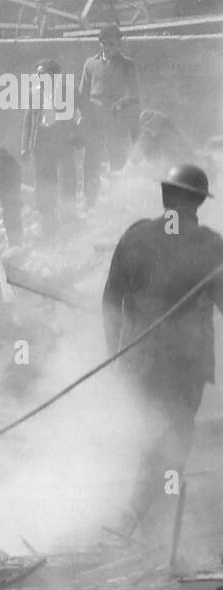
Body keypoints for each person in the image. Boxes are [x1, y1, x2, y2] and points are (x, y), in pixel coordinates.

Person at [102, 164, 223, 541]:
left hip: (138, 359)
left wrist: (116, 353)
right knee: (174, 439)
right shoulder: (210, 245)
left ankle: (146, 515)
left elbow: (110, 300)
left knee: (151, 431)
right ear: (200, 201)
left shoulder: (135, 236)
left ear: (166, 196)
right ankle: (137, 517)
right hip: (185, 364)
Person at [79, 24, 140, 207]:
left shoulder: (128, 65)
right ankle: (90, 201)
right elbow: (83, 94)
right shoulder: (90, 64)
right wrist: (83, 116)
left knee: (118, 161)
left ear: (119, 43)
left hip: (117, 120)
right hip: (95, 121)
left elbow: (135, 96)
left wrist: (126, 115)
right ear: (100, 43)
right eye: (105, 43)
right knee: (91, 162)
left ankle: (117, 202)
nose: (109, 46)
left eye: (113, 42)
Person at [21, 59, 78, 235]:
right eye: (37, 74)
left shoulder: (67, 92)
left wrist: (69, 128)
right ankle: (47, 217)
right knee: (44, 180)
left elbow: (77, 117)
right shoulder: (34, 94)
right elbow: (28, 120)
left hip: (62, 142)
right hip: (42, 142)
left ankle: (68, 216)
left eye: (42, 74)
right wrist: (25, 146)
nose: (38, 77)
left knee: (66, 177)